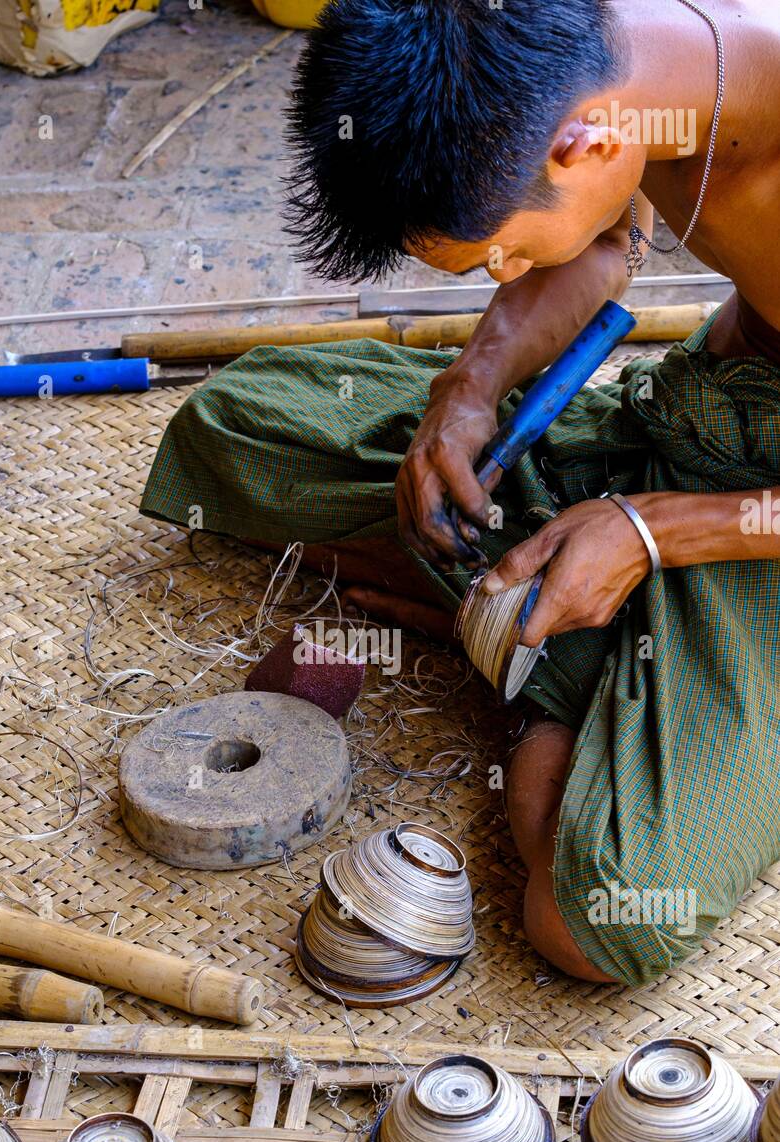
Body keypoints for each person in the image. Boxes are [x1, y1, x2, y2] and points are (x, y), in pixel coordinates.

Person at [142, 0, 780, 988]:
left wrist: (648, 533)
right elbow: (601, 248)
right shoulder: (597, 46)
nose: (504, 274)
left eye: (503, 256)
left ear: (584, 141)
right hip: (686, 416)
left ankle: (543, 658)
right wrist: (471, 388)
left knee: (593, 918)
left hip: (757, 531)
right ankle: (555, 632)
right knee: (232, 424)